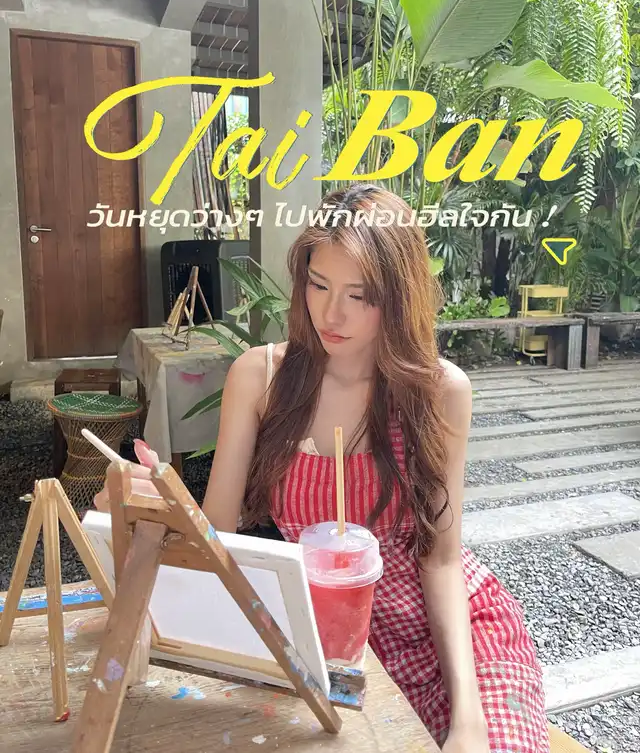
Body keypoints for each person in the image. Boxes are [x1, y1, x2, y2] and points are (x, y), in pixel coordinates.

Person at [98, 185, 550, 752]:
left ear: (400, 295)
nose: (332, 314)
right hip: (326, 640)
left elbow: (441, 560)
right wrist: (158, 504)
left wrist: (468, 718)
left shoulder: (437, 392)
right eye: (318, 285)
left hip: (453, 641)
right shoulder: (261, 378)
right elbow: (218, 536)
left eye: (360, 295)